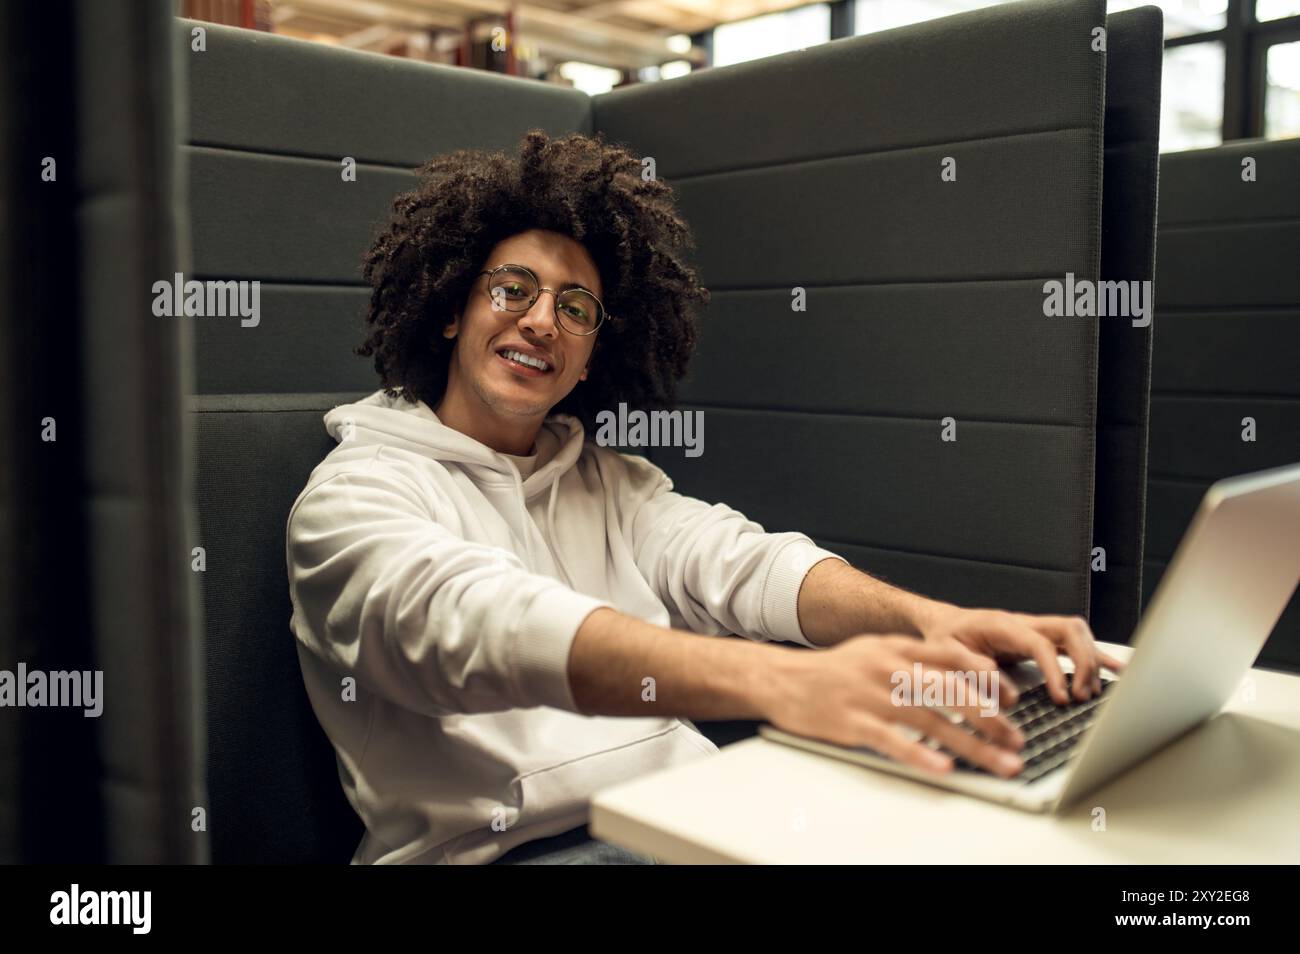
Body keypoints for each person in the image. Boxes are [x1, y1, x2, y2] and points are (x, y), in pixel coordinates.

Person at [286, 129, 1123, 865]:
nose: (543, 320)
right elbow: (480, 626)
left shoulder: (610, 484)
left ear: (588, 360)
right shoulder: (356, 495)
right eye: (512, 289)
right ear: (449, 309)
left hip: (684, 818)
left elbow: (744, 563)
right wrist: (778, 685)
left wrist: (928, 623)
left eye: (575, 308)